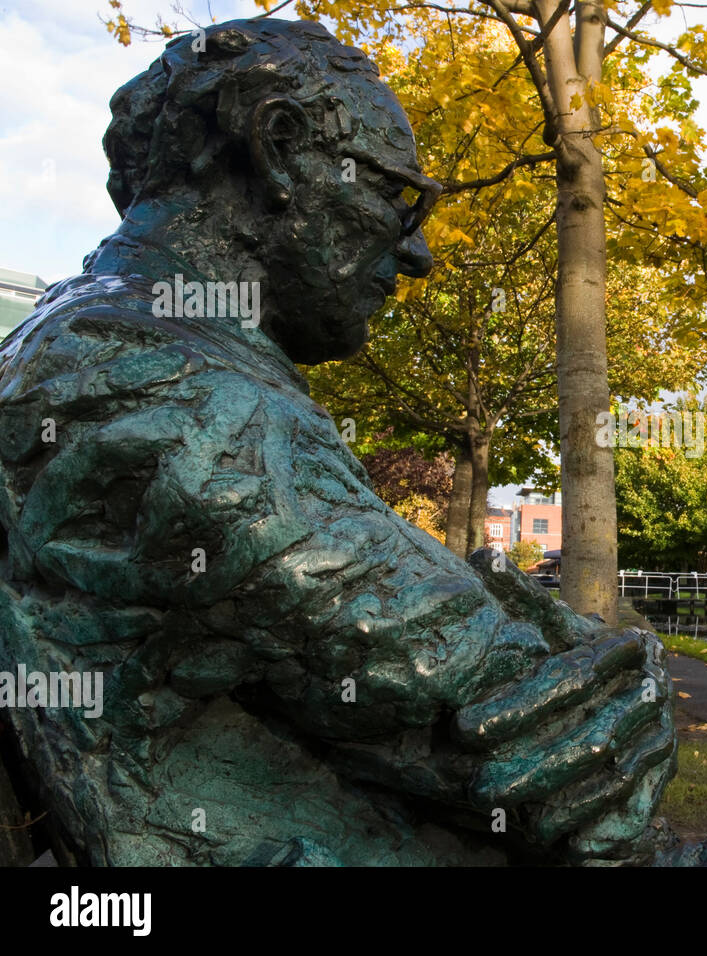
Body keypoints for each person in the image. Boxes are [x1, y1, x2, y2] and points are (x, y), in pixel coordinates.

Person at [0, 18, 672, 866]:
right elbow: (520, 715)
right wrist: (634, 673)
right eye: (396, 197)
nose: (417, 252)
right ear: (278, 150)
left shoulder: (106, 338)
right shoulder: (161, 380)